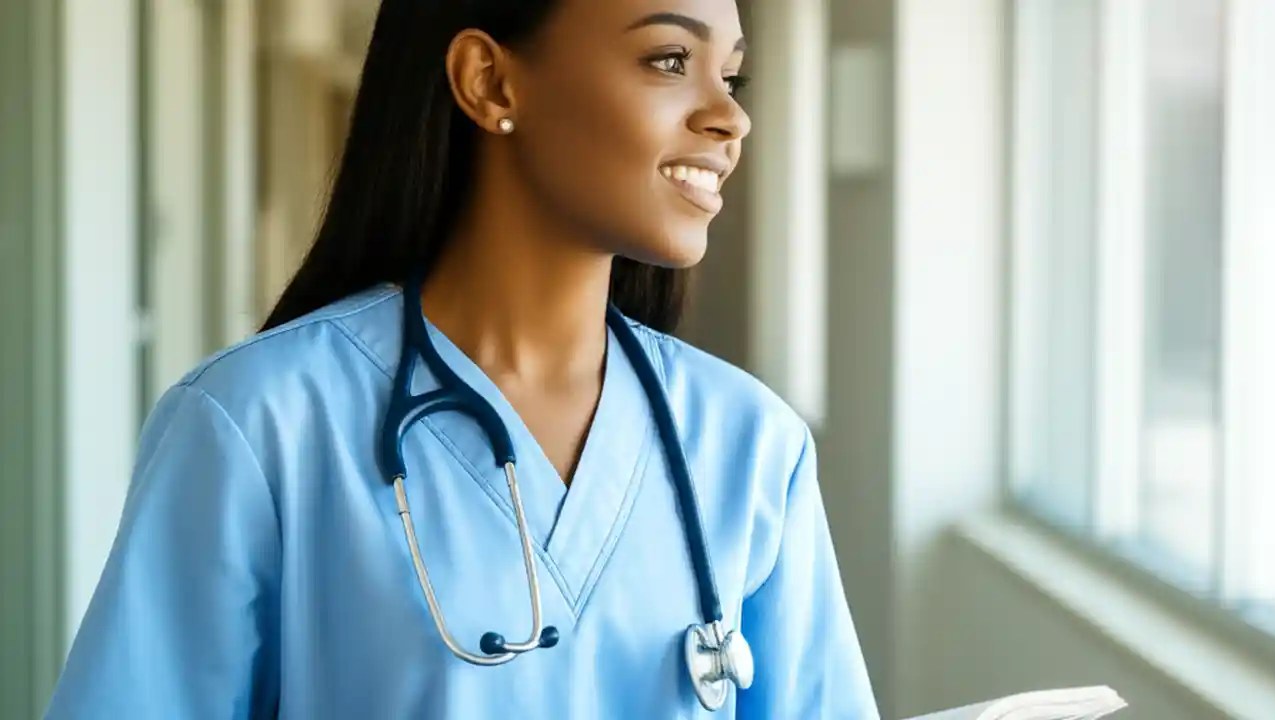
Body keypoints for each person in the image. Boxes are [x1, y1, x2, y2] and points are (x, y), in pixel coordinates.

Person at [45, 0, 879, 717]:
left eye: (729, 76)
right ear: (490, 81)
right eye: (669, 60)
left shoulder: (751, 447)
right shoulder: (260, 425)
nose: (729, 118)